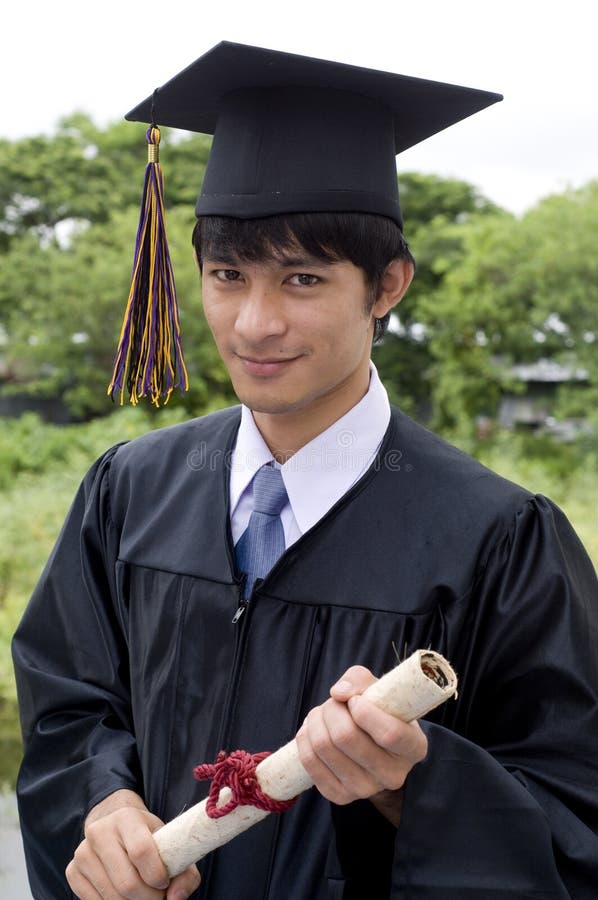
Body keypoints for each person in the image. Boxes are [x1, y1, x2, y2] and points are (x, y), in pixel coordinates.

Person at [12, 41, 598, 900]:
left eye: (301, 278)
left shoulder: (498, 539)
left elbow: (573, 821)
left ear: (386, 285)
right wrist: (103, 808)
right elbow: (69, 711)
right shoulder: (129, 491)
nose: (254, 322)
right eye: (227, 275)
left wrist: (413, 785)